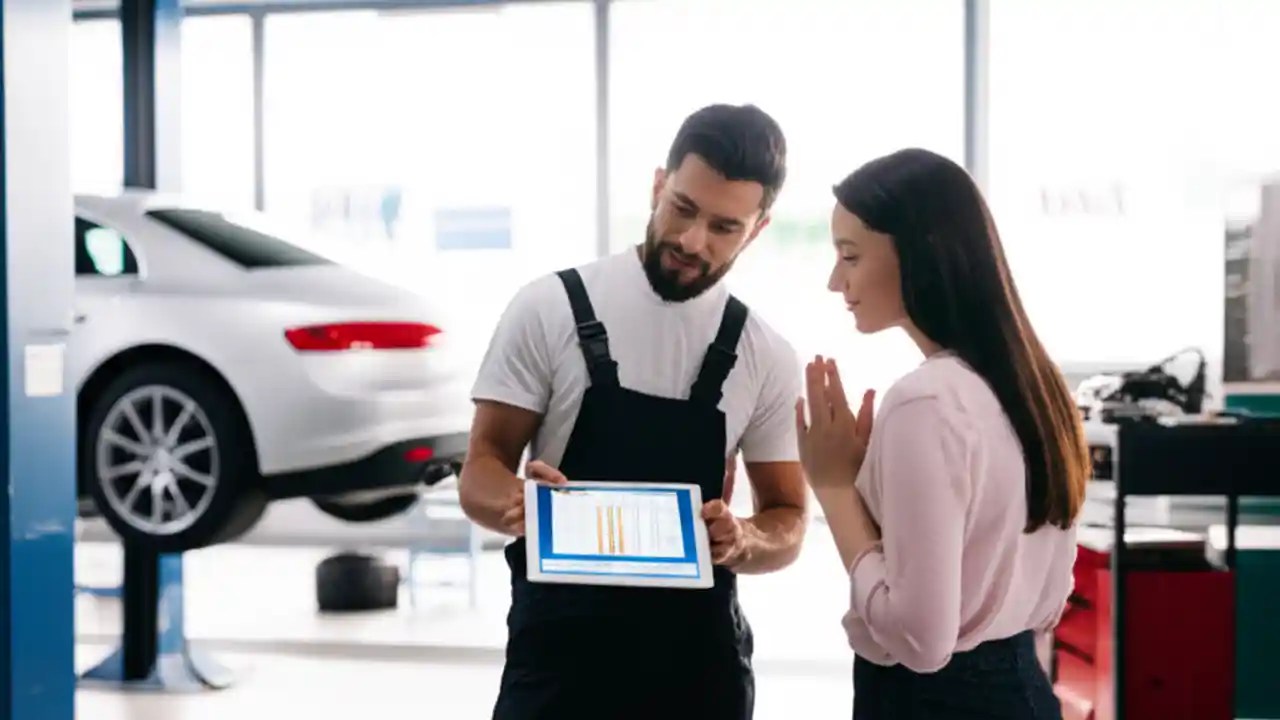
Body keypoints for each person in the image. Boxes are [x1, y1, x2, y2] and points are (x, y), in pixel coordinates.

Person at [459, 103, 808, 720]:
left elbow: (788, 519)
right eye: (683, 208)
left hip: (699, 670)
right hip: (559, 663)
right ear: (657, 185)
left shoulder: (765, 353)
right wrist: (520, 501)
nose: (693, 242)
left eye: (725, 227)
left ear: (757, 228)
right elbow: (480, 470)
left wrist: (744, 539)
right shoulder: (548, 309)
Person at [795, 148, 1087, 719]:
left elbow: (920, 642)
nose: (837, 281)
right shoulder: (1035, 387)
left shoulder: (924, 401)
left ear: (919, 256)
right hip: (1023, 689)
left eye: (850, 256)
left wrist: (834, 489)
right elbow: (1049, 600)